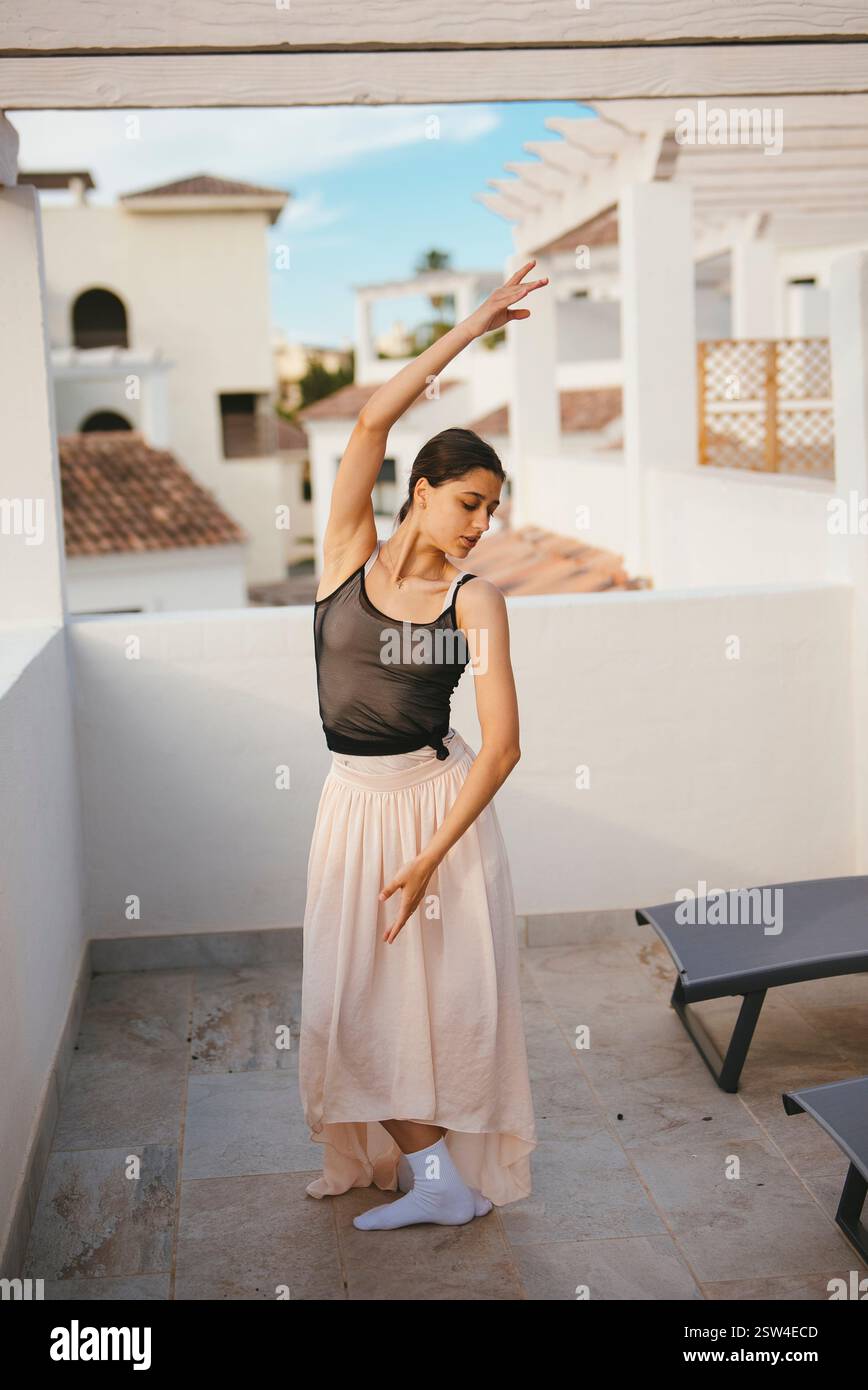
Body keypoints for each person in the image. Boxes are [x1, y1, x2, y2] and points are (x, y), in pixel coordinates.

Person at [299, 261, 548, 1231]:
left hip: (436, 815)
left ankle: (443, 1183)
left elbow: (503, 748)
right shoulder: (343, 557)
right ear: (423, 490)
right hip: (348, 805)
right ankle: (434, 1176)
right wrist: (476, 324)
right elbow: (369, 421)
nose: (483, 524)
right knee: (340, 1003)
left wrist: (431, 856)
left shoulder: (474, 598)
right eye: (470, 502)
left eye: (493, 509)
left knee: (440, 1013)